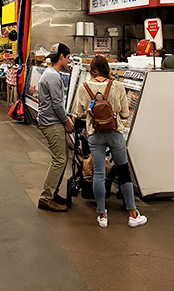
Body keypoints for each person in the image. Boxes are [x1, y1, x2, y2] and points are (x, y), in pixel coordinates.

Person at [73, 55, 147, 228]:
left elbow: (78, 113)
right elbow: (124, 114)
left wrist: (90, 114)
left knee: (99, 173)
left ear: (92, 69)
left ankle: (102, 214)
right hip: (115, 134)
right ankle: (133, 214)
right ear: (107, 68)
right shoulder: (118, 86)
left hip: (95, 135)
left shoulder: (84, 87)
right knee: (123, 171)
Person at [37, 42, 74, 213]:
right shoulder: (53, 76)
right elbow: (57, 104)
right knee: (59, 159)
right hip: (51, 122)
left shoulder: (50, 73)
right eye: (67, 57)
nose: (68, 60)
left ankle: (53, 192)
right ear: (61, 57)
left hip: (51, 120)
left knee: (63, 157)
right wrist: (67, 121)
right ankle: (46, 197)